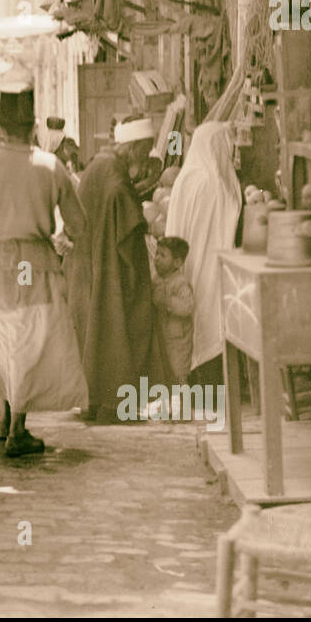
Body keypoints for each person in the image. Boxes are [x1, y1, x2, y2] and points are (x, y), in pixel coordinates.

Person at [0, 93, 87, 457]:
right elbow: (79, 224)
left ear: (1, 127)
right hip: (31, 263)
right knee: (26, 339)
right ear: (34, 125)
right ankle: (17, 430)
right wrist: (62, 240)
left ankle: (5, 418)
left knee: (2, 338)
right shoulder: (50, 165)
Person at [68, 115, 168, 422]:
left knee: (90, 334)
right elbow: (129, 229)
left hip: (85, 266)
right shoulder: (116, 179)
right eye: (145, 149)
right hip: (111, 268)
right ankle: (113, 405)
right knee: (116, 331)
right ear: (135, 148)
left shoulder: (99, 164)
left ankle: (93, 402)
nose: (145, 156)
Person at [163, 122, 241, 381]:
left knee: (191, 322)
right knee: (210, 315)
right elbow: (226, 223)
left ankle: (193, 381)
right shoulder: (213, 182)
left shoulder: (186, 176)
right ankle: (212, 384)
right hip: (209, 262)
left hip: (186, 262)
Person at [152, 236, 195, 382]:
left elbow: (188, 307)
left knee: (179, 371)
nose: (156, 258)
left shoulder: (180, 283)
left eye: (162, 255)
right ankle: (173, 402)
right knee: (166, 372)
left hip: (178, 339)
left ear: (177, 262)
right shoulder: (156, 280)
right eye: (156, 253)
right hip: (162, 335)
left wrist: (168, 301)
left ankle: (184, 402)